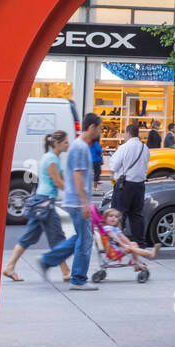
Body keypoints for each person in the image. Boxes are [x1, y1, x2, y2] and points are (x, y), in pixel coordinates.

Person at [39, 113, 102, 289]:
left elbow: (78, 174)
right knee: (85, 240)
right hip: (77, 202)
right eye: (99, 128)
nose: (101, 131)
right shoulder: (81, 147)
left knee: (80, 237)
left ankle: (47, 260)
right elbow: (76, 175)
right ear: (92, 127)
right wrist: (84, 203)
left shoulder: (79, 146)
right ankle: (78, 279)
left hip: (74, 200)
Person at [4, 131, 71, 283]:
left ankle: (10, 267)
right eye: (66, 142)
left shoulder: (51, 157)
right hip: (45, 202)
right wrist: (74, 193)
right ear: (58, 143)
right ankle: (66, 272)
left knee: (31, 237)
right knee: (57, 236)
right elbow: (58, 182)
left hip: (41, 201)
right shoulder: (52, 159)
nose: (68, 144)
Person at [109, 122, 150, 247]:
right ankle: (139, 242)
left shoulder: (124, 148)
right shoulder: (145, 148)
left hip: (124, 185)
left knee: (119, 213)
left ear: (128, 133)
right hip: (139, 185)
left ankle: (117, 241)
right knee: (136, 214)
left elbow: (114, 166)